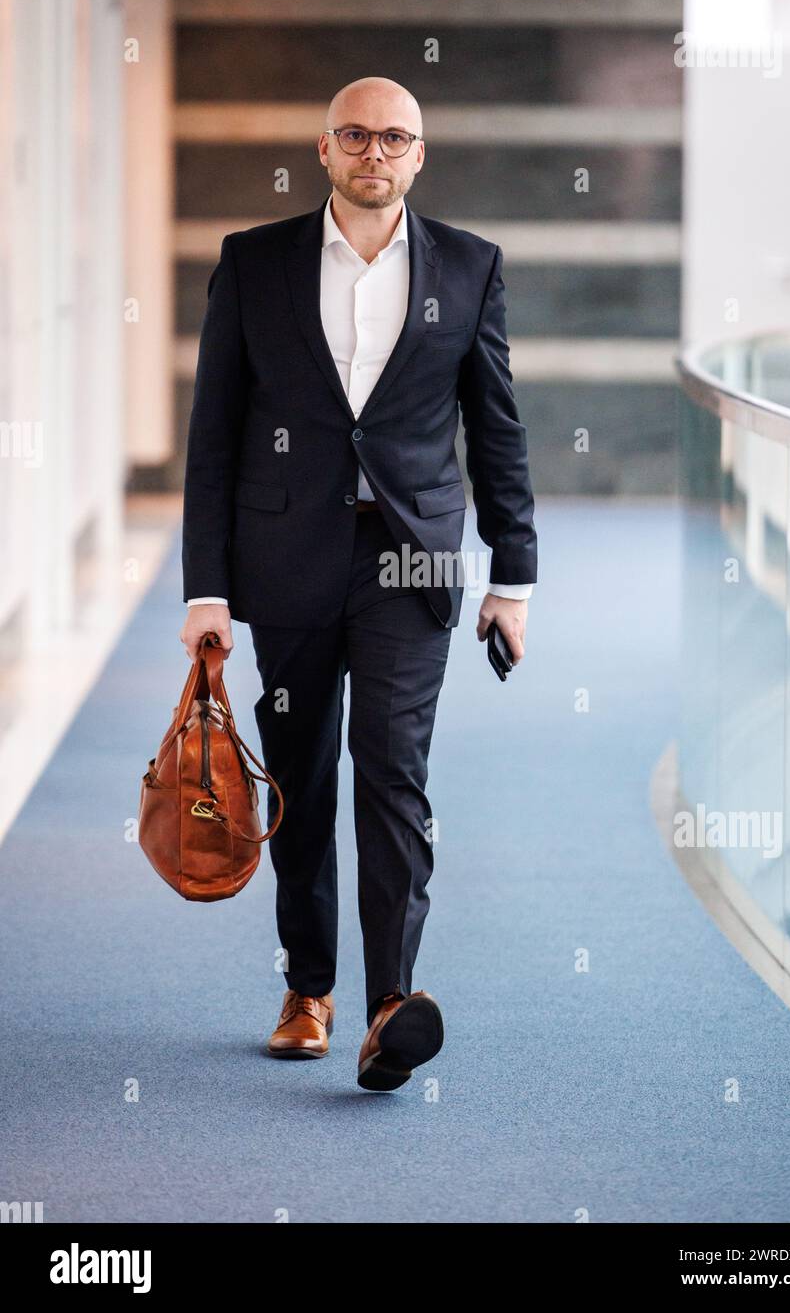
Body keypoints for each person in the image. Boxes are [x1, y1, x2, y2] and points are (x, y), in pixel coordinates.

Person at [179, 76, 538, 1091]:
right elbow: (212, 440)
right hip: (285, 560)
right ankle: (308, 988)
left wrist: (513, 574)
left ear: (418, 155)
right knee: (300, 773)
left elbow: (495, 429)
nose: (374, 151)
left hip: (412, 559)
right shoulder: (254, 266)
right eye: (354, 135)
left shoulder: (468, 269)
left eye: (395, 136)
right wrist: (206, 590)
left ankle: (389, 1002)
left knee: (393, 774)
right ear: (323, 148)